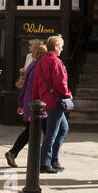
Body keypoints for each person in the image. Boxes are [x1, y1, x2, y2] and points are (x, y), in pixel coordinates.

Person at [35, 35, 73, 174]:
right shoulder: (55, 62)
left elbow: (36, 82)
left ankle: (53, 158)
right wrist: (68, 94)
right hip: (55, 101)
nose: (62, 50)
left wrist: (36, 98)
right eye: (61, 47)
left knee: (63, 128)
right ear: (56, 47)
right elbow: (60, 82)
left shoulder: (40, 61)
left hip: (46, 99)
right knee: (52, 132)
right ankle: (45, 162)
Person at [4, 41, 44, 168]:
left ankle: (13, 152)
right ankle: (44, 160)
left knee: (29, 131)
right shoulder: (37, 66)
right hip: (37, 104)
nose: (29, 47)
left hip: (29, 102)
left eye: (31, 45)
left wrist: (22, 104)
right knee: (44, 131)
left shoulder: (33, 65)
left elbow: (26, 86)